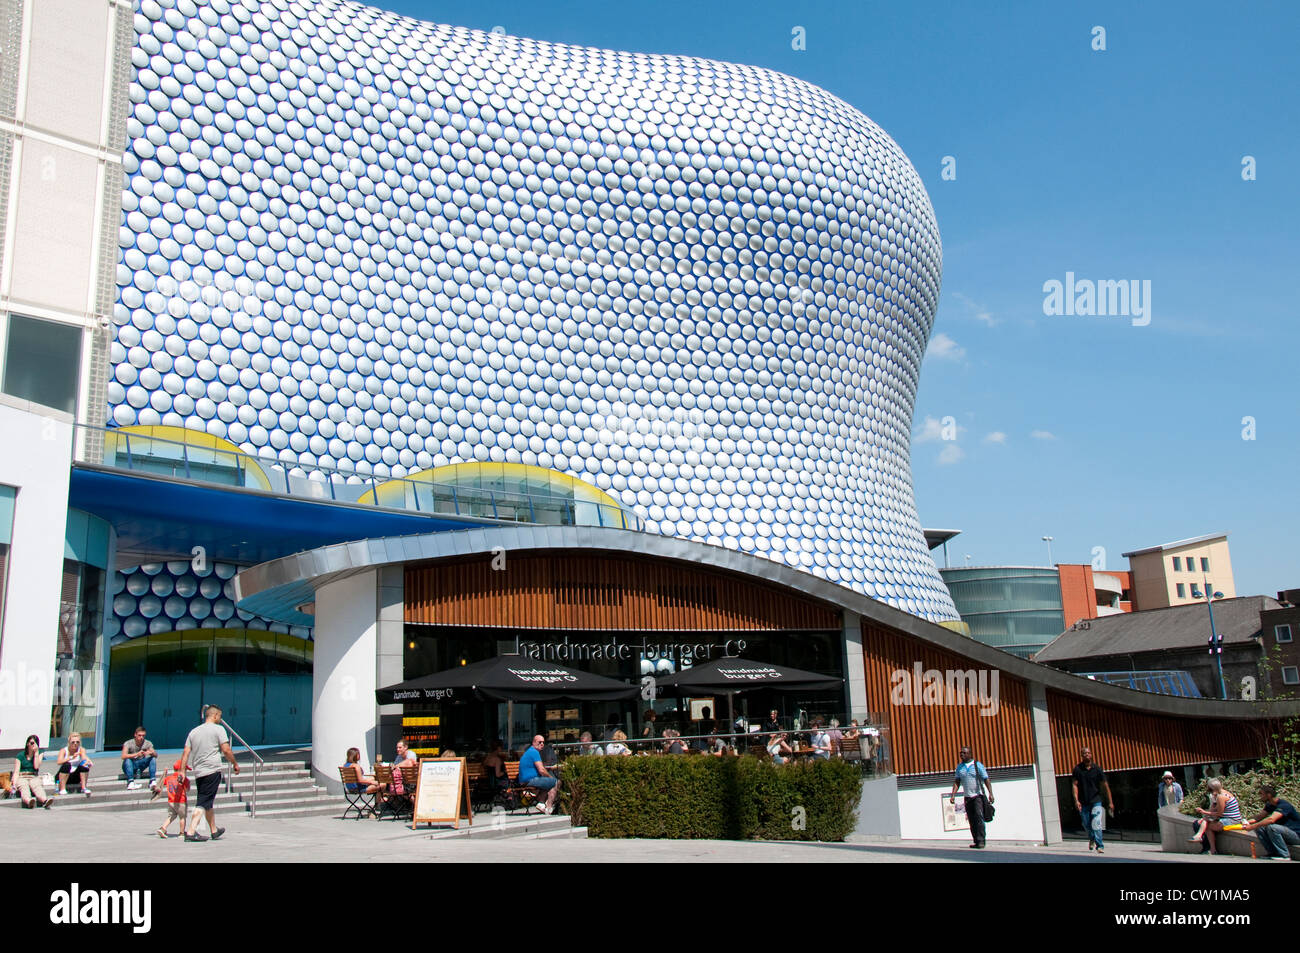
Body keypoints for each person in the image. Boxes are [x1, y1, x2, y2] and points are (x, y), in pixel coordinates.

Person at [180, 704, 240, 842]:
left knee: (207, 801)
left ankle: (214, 830)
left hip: (199, 771)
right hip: (212, 770)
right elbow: (226, 750)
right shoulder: (219, 729)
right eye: (220, 716)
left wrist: (182, 771)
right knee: (203, 802)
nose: (220, 719)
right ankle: (190, 832)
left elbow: (186, 753)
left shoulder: (193, 732)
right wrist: (234, 764)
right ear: (215, 715)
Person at [948, 746, 994, 849]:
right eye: (961, 753)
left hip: (977, 796)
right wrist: (953, 795)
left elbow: (986, 779)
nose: (961, 755)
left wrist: (991, 793)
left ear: (969, 754)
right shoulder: (960, 767)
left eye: (964, 753)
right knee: (972, 820)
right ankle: (976, 841)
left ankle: (981, 841)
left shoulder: (977, 765)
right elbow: (957, 781)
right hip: (967, 797)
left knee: (979, 818)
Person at [1241, 783, 1300, 860]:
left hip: (1296, 835)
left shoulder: (1284, 805)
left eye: (1261, 794)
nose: (1260, 797)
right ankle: (1273, 853)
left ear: (1269, 795)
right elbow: (1259, 817)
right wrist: (1246, 822)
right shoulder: (1270, 805)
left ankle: (1284, 855)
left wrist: (1252, 827)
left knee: (1272, 828)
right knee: (1260, 828)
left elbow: (1271, 819)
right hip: (1284, 834)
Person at [1071, 747, 1114, 854]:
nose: (1086, 754)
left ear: (1091, 754)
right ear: (1081, 755)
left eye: (1088, 753)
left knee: (1097, 823)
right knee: (1086, 823)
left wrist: (1110, 802)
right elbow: (1074, 785)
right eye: (1084, 753)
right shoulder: (1077, 769)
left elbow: (1105, 785)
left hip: (1096, 800)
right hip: (1083, 801)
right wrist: (1076, 800)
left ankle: (1100, 845)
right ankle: (1092, 838)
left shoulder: (1097, 769)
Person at [1188, 777, 1242, 855]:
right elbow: (1214, 810)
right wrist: (1211, 806)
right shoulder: (1220, 794)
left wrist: (1204, 812)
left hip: (1232, 820)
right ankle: (1199, 836)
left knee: (1208, 826)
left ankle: (1212, 848)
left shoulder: (1221, 797)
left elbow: (1219, 813)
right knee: (1205, 820)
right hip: (1226, 817)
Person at [518, 735, 559, 815]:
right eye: (539, 742)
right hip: (530, 780)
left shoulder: (530, 751)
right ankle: (549, 806)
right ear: (533, 742)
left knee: (547, 783)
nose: (542, 744)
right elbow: (542, 770)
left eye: (543, 742)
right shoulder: (534, 752)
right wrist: (550, 777)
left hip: (526, 780)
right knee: (556, 782)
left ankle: (541, 803)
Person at [13, 735, 52, 809]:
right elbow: (16, 771)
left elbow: (36, 767)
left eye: (35, 743)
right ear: (27, 743)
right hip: (22, 776)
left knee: (37, 786)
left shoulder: (39, 754)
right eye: (31, 743)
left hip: (33, 776)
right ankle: (29, 801)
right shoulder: (20, 755)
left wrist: (36, 753)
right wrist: (14, 783)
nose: (33, 745)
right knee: (24, 786)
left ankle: (45, 800)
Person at [156, 759, 189, 839]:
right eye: (185, 769)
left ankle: (163, 828)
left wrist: (165, 773)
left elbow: (162, 782)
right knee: (182, 817)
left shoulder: (169, 778)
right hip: (181, 801)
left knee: (172, 815)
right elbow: (187, 789)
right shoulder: (184, 779)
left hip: (171, 801)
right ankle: (181, 833)